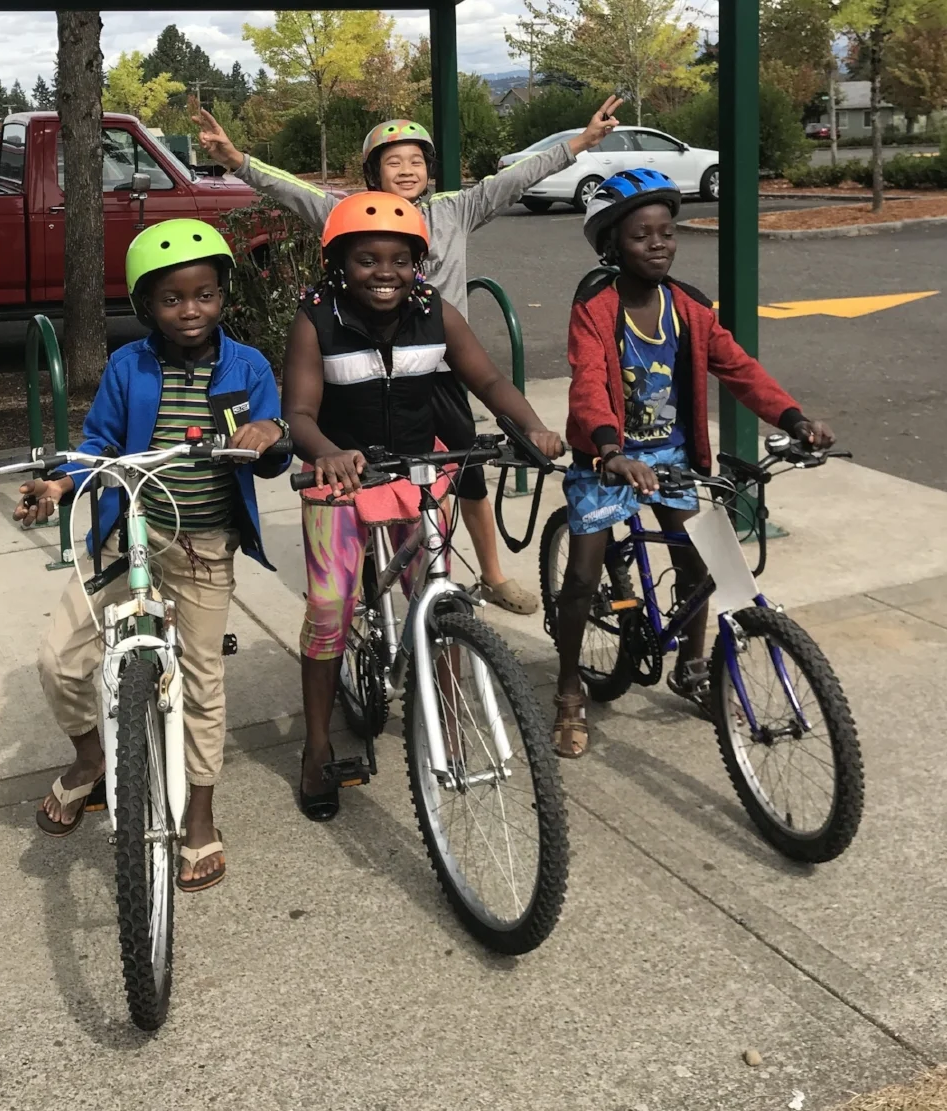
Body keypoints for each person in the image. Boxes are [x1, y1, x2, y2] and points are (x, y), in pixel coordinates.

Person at [193, 98, 621, 615]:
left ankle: (490, 574)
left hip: (440, 370)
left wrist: (577, 143)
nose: (407, 170)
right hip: (369, 371)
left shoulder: (452, 210)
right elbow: (293, 190)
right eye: (393, 162)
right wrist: (238, 161)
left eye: (416, 160)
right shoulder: (346, 216)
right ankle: (374, 580)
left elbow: (512, 180)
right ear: (373, 172)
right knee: (371, 471)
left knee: (465, 470)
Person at [14, 219, 289, 891]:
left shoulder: (246, 365)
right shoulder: (127, 366)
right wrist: (58, 483)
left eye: (203, 295)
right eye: (171, 299)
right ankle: (91, 760)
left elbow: (275, 452)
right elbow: (100, 446)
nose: (189, 310)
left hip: (203, 545)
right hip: (125, 535)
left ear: (222, 296)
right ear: (145, 307)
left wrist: (270, 432)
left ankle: (200, 811)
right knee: (59, 658)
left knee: (201, 678)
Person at [282, 191, 563, 820]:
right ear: (338, 264)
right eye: (366, 260)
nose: (385, 273)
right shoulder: (316, 316)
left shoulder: (435, 312)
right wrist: (327, 452)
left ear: (418, 264)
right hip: (339, 471)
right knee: (330, 608)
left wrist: (533, 427)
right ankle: (318, 746)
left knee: (439, 594)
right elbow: (298, 412)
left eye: (400, 260)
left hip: (417, 466)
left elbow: (486, 380)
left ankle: (453, 729)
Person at [553, 169, 835, 758]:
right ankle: (570, 685)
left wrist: (793, 420)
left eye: (668, 232)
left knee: (698, 565)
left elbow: (739, 368)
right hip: (609, 457)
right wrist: (609, 450)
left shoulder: (689, 308)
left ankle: (694, 666)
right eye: (641, 236)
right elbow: (589, 384)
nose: (658, 244)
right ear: (612, 245)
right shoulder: (596, 307)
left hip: (673, 457)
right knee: (582, 574)